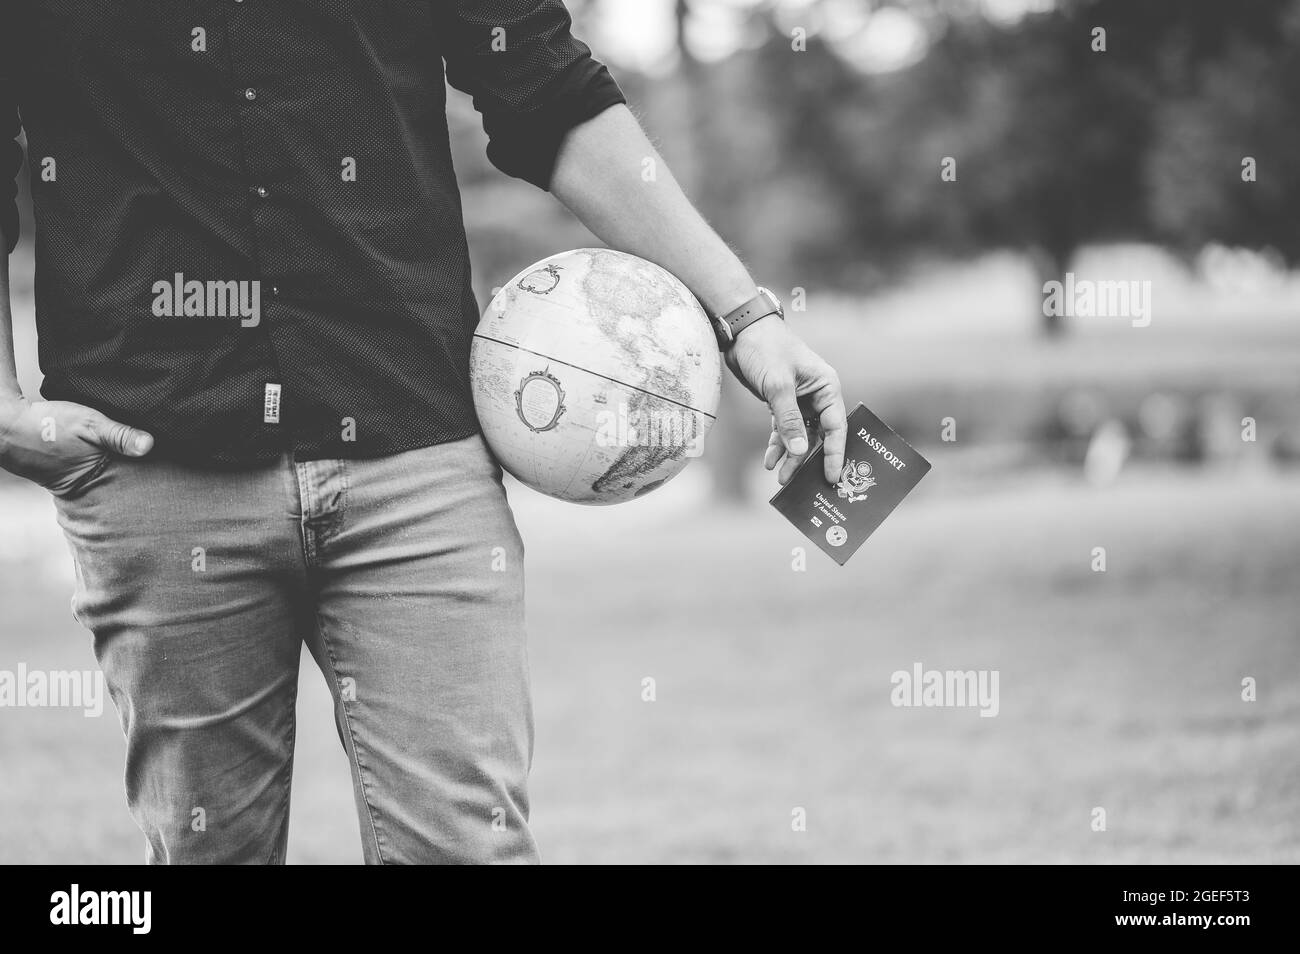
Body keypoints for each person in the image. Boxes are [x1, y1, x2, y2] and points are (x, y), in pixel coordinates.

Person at [0, 1, 846, 864]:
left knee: (468, 848)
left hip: (415, 447)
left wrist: (745, 315)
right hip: (154, 464)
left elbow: (545, 87)